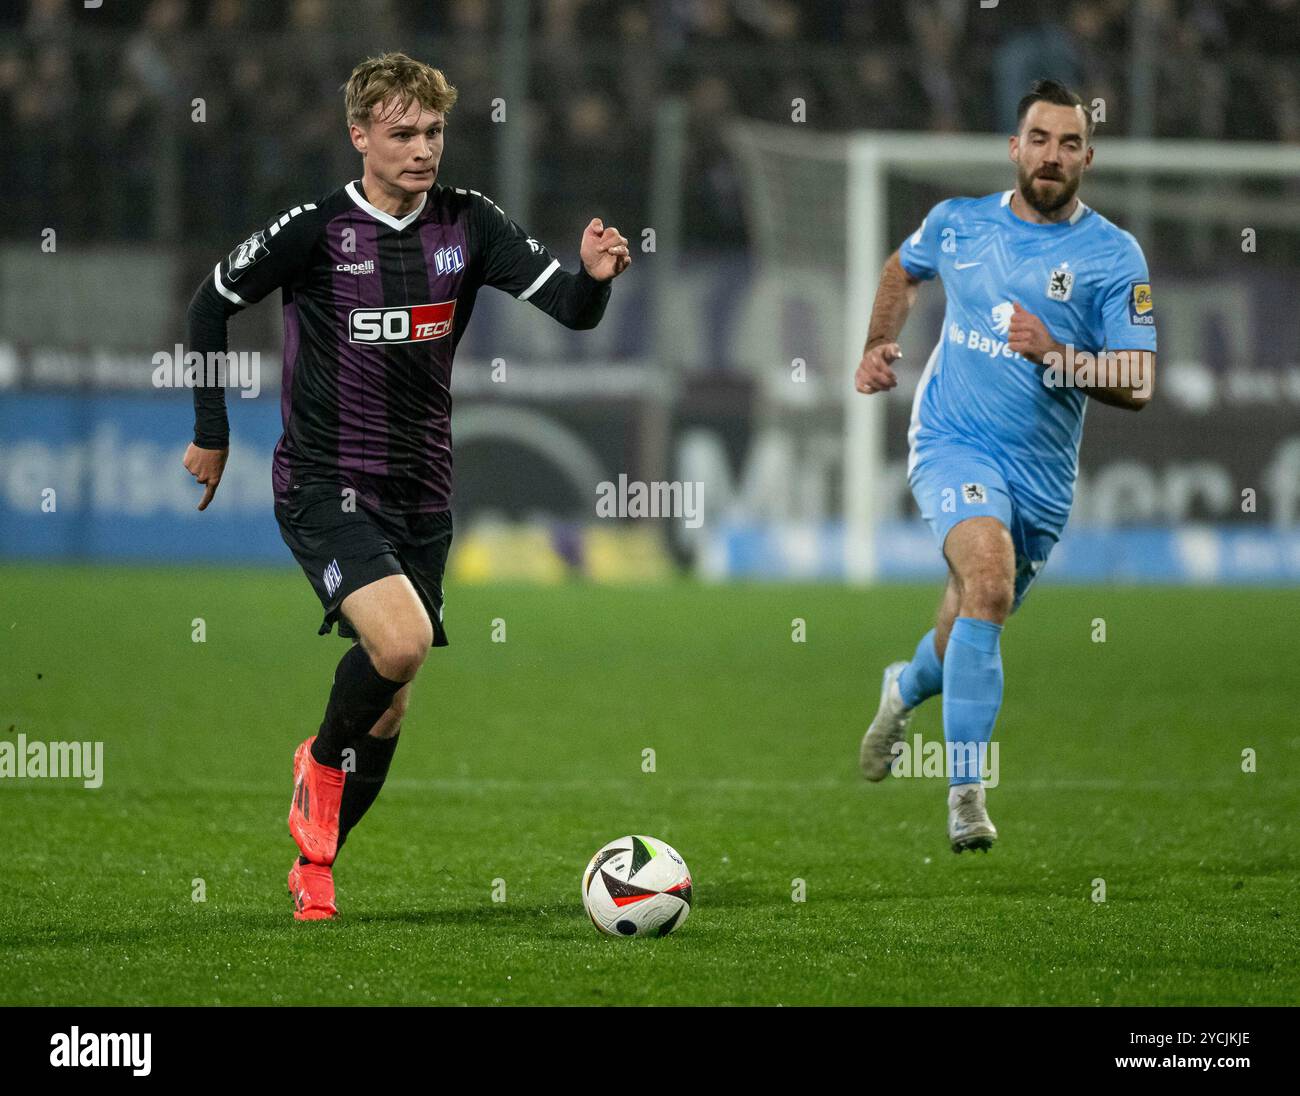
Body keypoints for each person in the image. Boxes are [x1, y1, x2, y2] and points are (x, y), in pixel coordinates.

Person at [181, 52, 630, 919]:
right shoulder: (314, 229)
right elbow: (210, 303)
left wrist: (598, 282)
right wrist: (211, 430)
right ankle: (315, 760)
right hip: (324, 481)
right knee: (399, 646)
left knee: (387, 713)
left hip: (423, 491)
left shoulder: (470, 223)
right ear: (360, 136)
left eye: (433, 132)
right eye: (403, 134)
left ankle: (317, 862)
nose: (424, 149)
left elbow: (570, 309)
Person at [854, 79, 1157, 852]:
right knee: (985, 580)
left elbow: (1139, 383)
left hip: (1043, 480)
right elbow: (901, 269)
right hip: (951, 440)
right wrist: (877, 343)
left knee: (969, 618)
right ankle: (964, 794)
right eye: (1039, 139)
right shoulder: (957, 224)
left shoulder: (1113, 256)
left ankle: (903, 687)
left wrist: (1058, 356)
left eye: (1068, 143)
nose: (1051, 156)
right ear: (1013, 147)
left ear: (1088, 155)